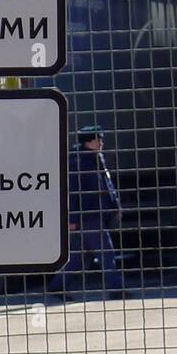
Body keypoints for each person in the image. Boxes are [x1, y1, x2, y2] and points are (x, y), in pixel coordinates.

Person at [57, 124, 124, 294]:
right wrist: (72, 219)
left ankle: (56, 286)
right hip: (88, 215)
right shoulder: (79, 162)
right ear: (88, 142)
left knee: (79, 255)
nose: (101, 143)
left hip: (94, 213)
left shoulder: (95, 158)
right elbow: (72, 192)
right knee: (106, 252)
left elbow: (106, 185)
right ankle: (117, 289)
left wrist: (115, 205)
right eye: (98, 140)